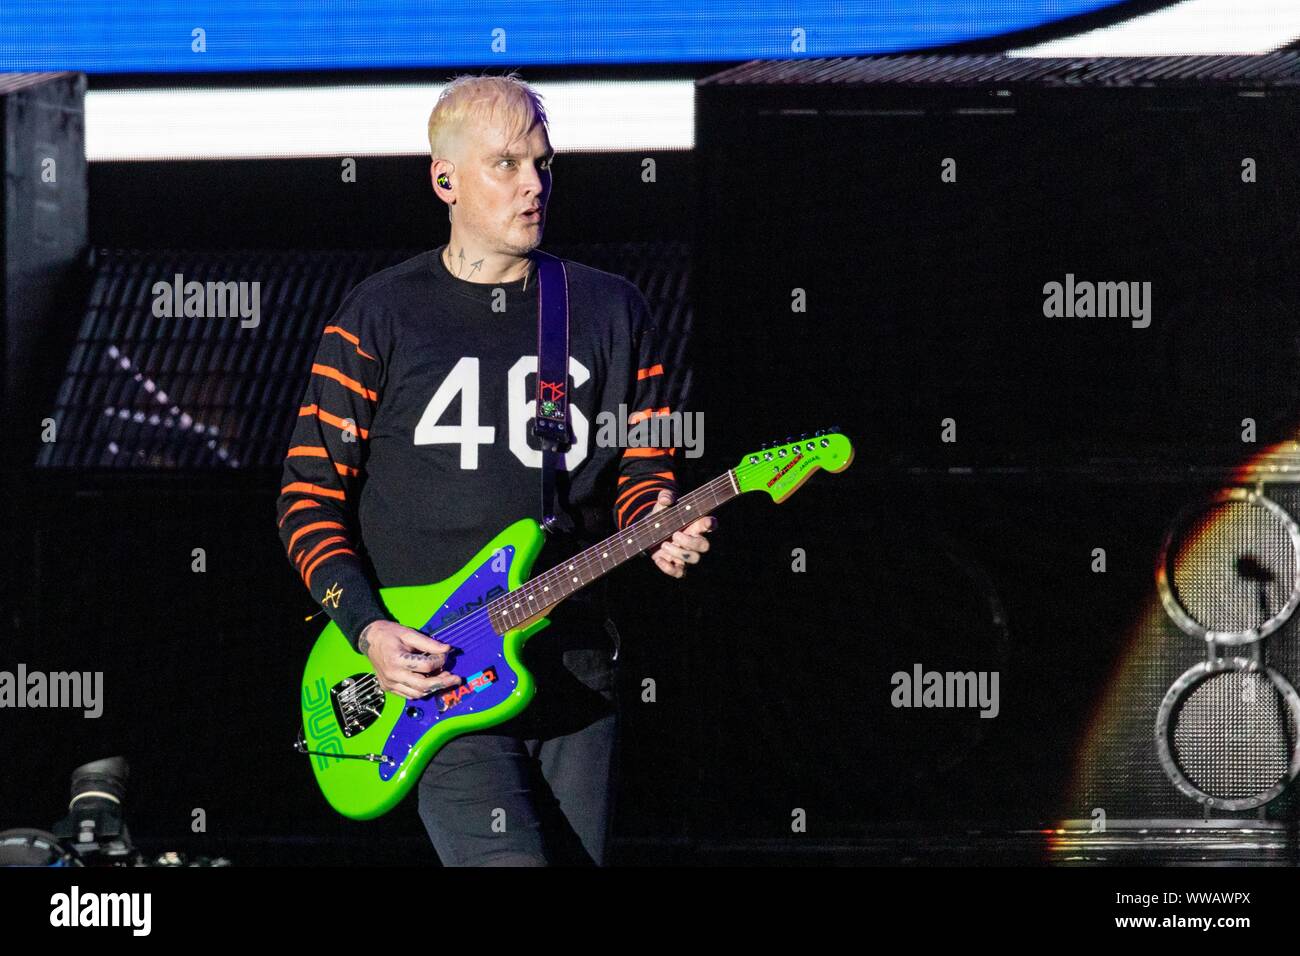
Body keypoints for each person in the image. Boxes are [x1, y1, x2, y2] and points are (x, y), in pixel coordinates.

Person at [275, 71, 715, 865]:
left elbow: (644, 467)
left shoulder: (609, 309)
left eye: (543, 163)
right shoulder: (379, 313)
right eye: (506, 164)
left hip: (575, 668)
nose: (533, 185)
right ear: (444, 178)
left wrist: (660, 528)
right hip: (431, 674)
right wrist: (367, 627)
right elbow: (307, 495)